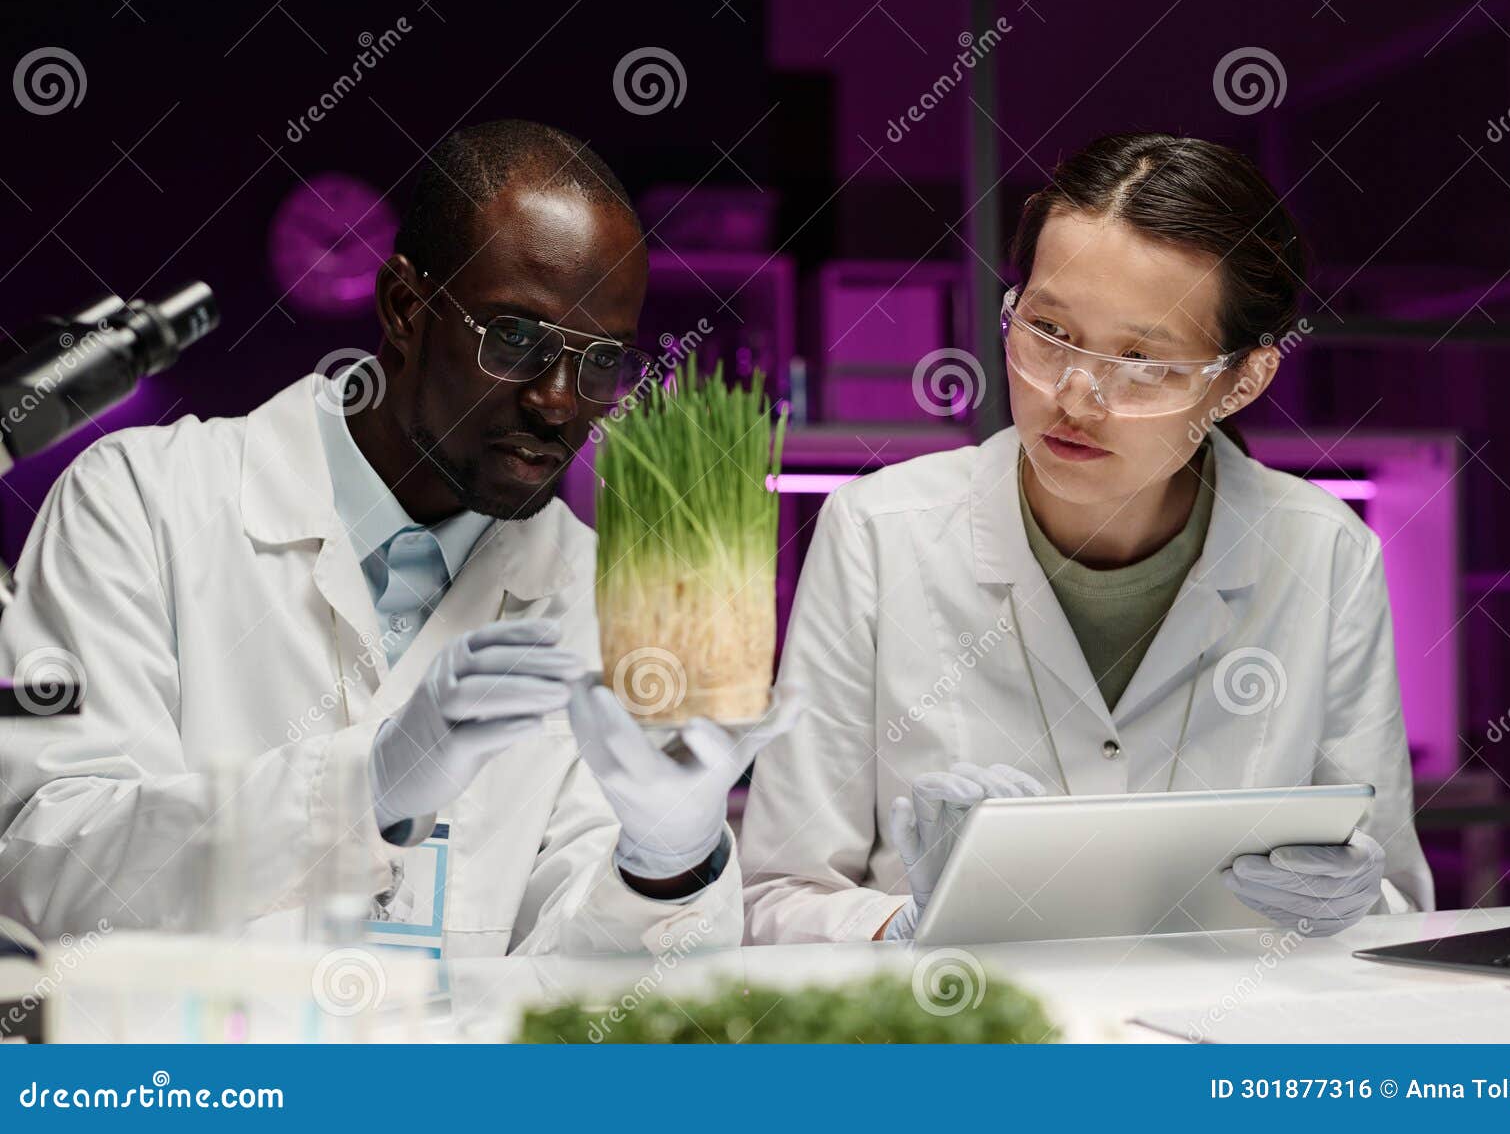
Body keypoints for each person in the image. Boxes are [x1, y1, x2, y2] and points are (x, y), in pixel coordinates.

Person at [0, 119, 794, 956]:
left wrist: (664, 866)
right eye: (517, 338)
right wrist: (365, 788)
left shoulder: (593, 594)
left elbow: (589, 1001)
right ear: (405, 307)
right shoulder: (143, 501)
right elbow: (48, 864)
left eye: (601, 360)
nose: (560, 402)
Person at [741, 132, 1434, 944]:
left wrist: (1351, 903)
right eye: (1050, 331)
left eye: (1142, 360)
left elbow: (1388, 899)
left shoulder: (1325, 553)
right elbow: (777, 895)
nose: (1075, 395)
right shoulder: (878, 534)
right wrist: (904, 928)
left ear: (1244, 378)